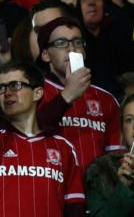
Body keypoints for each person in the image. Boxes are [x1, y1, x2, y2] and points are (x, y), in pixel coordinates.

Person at [0, 60, 86, 216]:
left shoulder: (63, 147)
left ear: (37, 93)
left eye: (15, 85)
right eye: (1, 88)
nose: (7, 92)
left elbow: (75, 208)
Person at [35, 16, 123, 170]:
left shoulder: (106, 99)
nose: (71, 48)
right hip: (52, 186)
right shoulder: (33, 92)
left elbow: (116, 156)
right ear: (46, 55)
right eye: (61, 43)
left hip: (97, 190)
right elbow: (27, 134)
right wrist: (67, 95)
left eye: (77, 42)